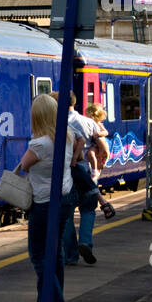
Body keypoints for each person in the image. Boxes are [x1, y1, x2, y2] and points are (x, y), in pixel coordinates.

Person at [18, 93, 74, 302]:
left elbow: (23, 165)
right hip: (64, 200)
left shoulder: (39, 144)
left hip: (44, 204)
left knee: (40, 255)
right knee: (56, 254)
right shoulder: (67, 136)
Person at [62, 93, 114, 267]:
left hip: (65, 173)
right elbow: (103, 146)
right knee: (88, 209)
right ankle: (85, 242)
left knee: (67, 215)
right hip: (85, 171)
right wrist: (99, 166)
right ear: (75, 103)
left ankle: (70, 255)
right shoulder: (88, 122)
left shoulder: (56, 123)